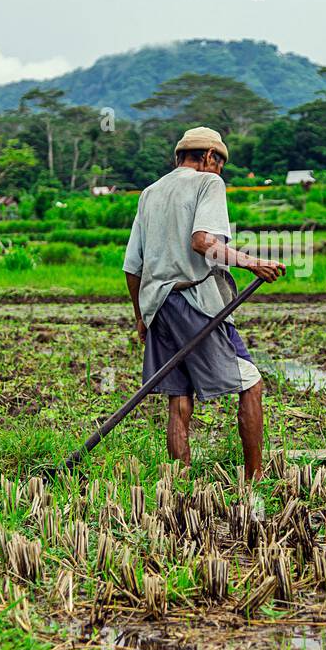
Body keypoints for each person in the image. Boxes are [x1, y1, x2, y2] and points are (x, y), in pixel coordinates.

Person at [122, 126, 284, 478]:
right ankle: (255, 478)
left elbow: (132, 267)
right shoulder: (208, 183)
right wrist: (251, 261)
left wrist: (140, 316)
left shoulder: (150, 192)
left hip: (158, 306)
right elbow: (202, 241)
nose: (219, 171)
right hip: (194, 304)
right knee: (251, 382)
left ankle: (179, 484)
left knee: (179, 396)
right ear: (209, 157)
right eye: (219, 164)